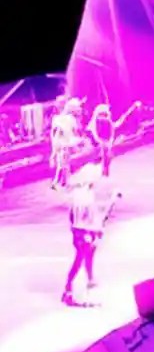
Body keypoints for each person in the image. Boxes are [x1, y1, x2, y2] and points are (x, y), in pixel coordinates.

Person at [63, 163, 122, 306]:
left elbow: (85, 217)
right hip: (84, 231)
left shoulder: (83, 193)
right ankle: (70, 290)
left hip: (84, 230)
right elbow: (85, 218)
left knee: (87, 256)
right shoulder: (82, 195)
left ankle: (87, 281)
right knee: (80, 259)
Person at [87, 101, 140, 177]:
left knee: (107, 157)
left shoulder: (105, 120)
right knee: (106, 157)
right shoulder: (99, 120)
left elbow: (115, 126)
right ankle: (104, 172)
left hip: (106, 142)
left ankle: (105, 172)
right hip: (102, 142)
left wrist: (130, 111)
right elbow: (96, 130)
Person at [50, 97, 85, 188]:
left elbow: (57, 133)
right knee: (63, 163)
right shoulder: (65, 119)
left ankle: (63, 182)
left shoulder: (58, 119)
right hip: (64, 143)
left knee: (64, 163)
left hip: (63, 142)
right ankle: (57, 182)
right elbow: (71, 132)